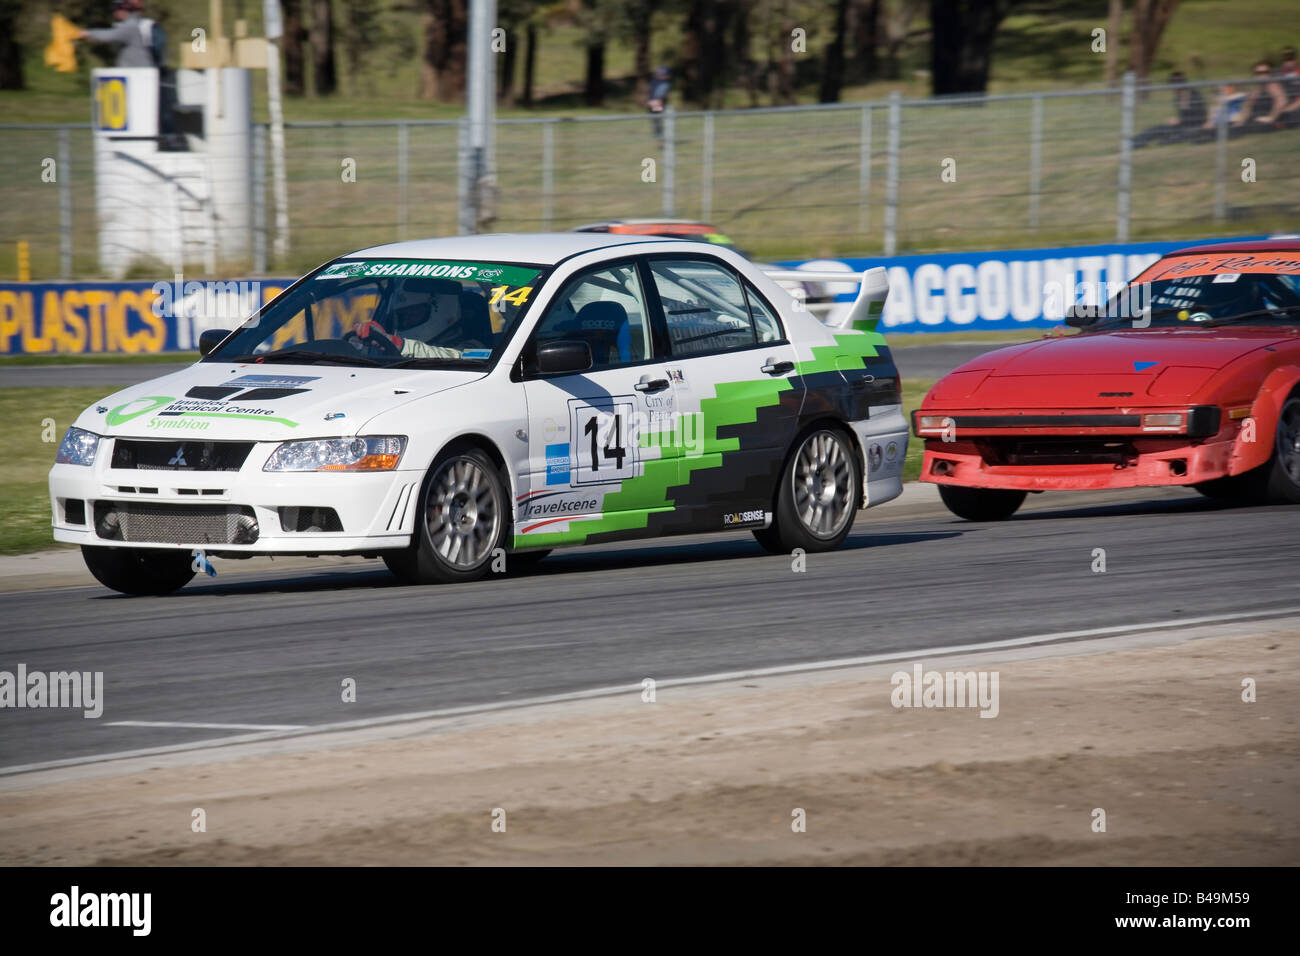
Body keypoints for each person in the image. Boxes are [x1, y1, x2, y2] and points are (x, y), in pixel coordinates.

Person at [350, 278, 492, 359]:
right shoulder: (396, 351)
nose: (406, 321)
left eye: (413, 313)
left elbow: (456, 357)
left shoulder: (475, 350)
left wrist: (400, 345)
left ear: (440, 309)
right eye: (401, 316)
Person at [1132, 71, 1207, 148]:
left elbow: (1200, 117)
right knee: (1158, 128)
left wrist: (1179, 120)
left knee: (1164, 138)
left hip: (1193, 128)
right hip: (1182, 127)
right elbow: (1183, 116)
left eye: (1172, 85)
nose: (1172, 89)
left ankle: (1136, 143)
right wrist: (1178, 120)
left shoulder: (1194, 95)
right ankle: (1135, 142)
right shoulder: (1178, 97)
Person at [77, 0, 159, 68]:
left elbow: (108, 35)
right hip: (141, 71)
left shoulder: (130, 26)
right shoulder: (137, 24)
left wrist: (86, 33)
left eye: (116, 8)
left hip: (137, 73)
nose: (114, 12)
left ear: (125, 9)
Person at [1232, 60, 1287, 132]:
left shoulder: (1273, 85)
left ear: (1270, 73)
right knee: (1231, 126)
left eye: (1265, 72)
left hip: (1269, 123)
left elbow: (1282, 101)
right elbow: (1247, 105)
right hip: (1255, 120)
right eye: (1259, 73)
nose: (1262, 75)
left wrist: (1271, 118)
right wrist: (1240, 122)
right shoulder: (1257, 89)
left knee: (1239, 130)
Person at [647, 66, 671, 142]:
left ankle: (660, 137)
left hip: (656, 102)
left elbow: (657, 94)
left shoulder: (660, 82)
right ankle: (659, 136)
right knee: (657, 119)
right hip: (656, 102)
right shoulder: (658, 82)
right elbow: (656, 94)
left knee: (657, 119)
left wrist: (654, 101)